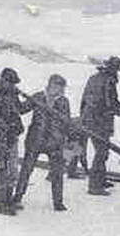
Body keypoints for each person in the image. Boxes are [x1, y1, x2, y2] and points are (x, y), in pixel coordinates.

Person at [14, 74, 79, 212]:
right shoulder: (38, 97)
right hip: (35, 140)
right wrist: (14, 94)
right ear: (51, 85)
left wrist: (72, 138)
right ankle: (17, 197)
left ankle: (58, 202)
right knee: (26, 170)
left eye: (62, 88)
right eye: (59, 87)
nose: (61, 90)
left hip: (55, 142)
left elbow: (66, 122)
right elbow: (22, 109)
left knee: (57, 173)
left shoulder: (64, 102)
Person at [0, 67, 33, 216]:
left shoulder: (11, 94)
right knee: (1, 171)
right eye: (11, 83)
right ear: (4, 81)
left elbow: (20, 109)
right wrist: (5, 127)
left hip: (11, 137)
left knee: (11, 171)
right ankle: (1, 204)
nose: (13, 85)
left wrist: (31, 102)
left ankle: (8, 201)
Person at [78, 56, 120, 195]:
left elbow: (84, 99)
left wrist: (83, 118)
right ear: (112, 69)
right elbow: (111, 103)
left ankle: (100, 179)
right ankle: (95, 186)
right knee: (101, 152)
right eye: (116, 70)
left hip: (88, 119)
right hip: (99, 121)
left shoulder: (93, 78)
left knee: (101, 151)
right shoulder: (108, 81)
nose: (116, 73)